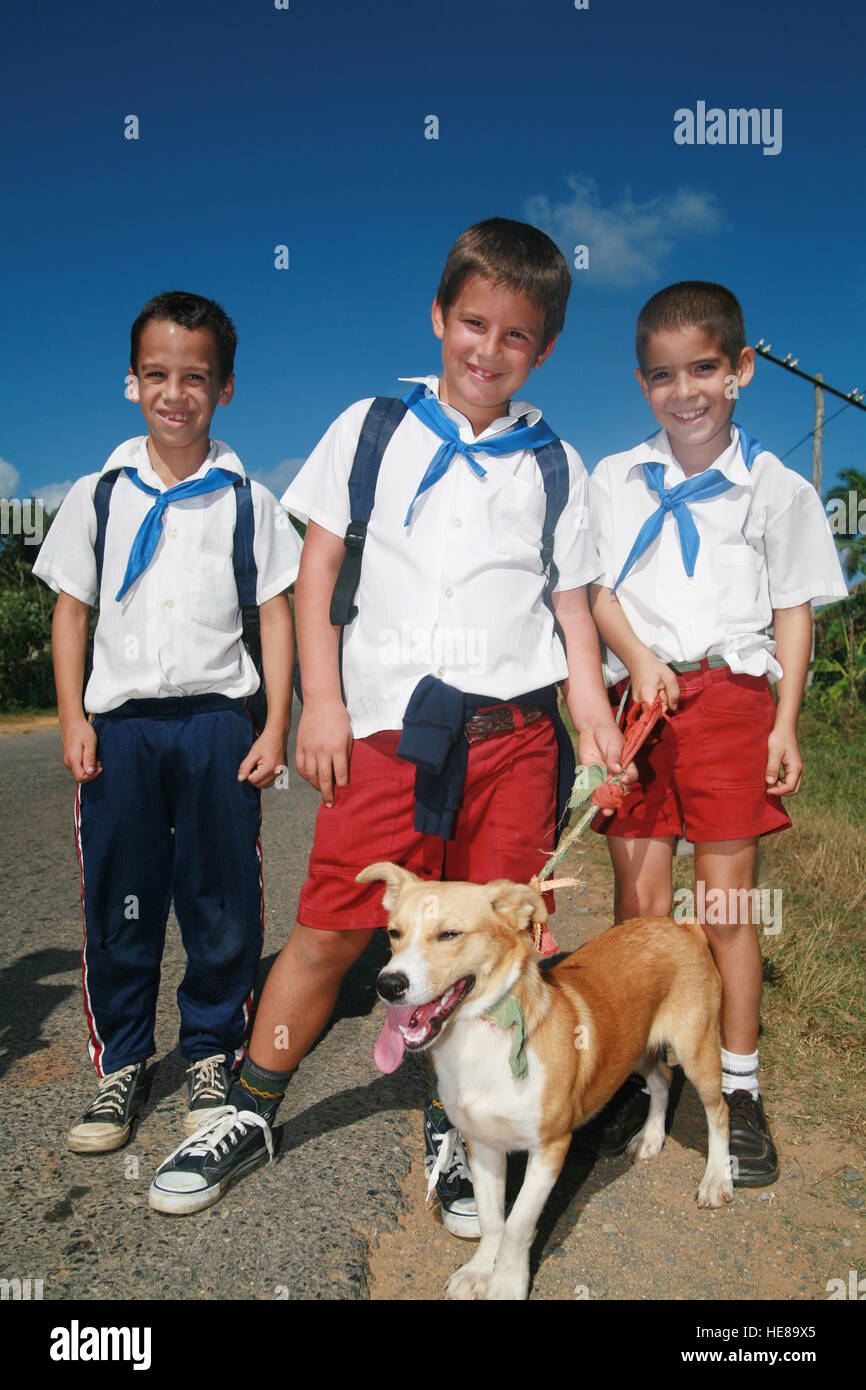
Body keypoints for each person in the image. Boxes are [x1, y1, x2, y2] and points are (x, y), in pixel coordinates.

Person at [148, 218, 631, 1223]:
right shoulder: (371, 426)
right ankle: (247, 1105)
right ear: (437, 317)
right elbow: (317, 566)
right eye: (472, 323)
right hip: (384, 736)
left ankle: (458, 1129)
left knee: (497, 950)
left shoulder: (554, 464)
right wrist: (319, 701)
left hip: (515, 740)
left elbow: (571, 605)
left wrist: (593, 717)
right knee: (330, 930)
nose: (487, 351)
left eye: (513, 336)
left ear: (541, 350)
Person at [584, 280, 847, 1184]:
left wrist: (786, 724)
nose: (684, 390)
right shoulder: (613, 480)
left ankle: (738, 1090)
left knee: (727, 907)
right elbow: (595, 591)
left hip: (733, 703)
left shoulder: (776, 488)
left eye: (704, 369)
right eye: (662, 375)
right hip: (640, 705)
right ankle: (635, 1073)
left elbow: (792, 614)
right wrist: (638, 659)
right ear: (641, 381)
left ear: (739, 370)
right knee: (641, 909)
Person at [33, 290, 300, 1161]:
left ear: (225, 389)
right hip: (122, 729)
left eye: (195, 377)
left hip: (219, 722)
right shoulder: (98, 496)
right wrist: (75, 717)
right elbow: (71, 612)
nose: (174, 393)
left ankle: (212, 1051)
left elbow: (277, 614)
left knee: (220, 894)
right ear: (133, 382)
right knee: (120, 893)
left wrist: (276, 723)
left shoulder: (249, 500)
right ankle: (123, 1060)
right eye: (157, 374)